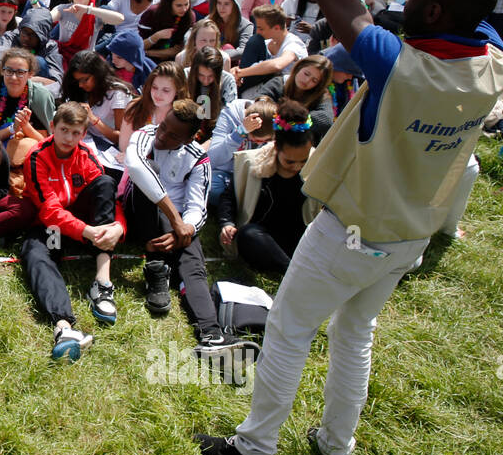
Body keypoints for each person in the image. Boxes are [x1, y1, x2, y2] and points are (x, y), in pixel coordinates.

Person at [196, 0, 503, 455]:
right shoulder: (492, 62)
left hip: (350, 229)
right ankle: (335, 448)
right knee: (355, 333)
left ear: (434, 14)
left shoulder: (396, 63)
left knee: (288, 330)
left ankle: (255, 449)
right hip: (408, 234)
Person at [122, 99, 249, 352]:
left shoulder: (198, 158)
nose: (162, 136)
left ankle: (210, 335)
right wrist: (175, 220)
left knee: (192, 262)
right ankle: (156, 267)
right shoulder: (145, 134)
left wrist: (186, 228)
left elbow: (197, 208)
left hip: (177, 225)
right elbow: (136, 167)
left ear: (190, 139)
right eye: (163, 127)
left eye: (172, 135)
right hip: (140, 214)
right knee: (150, 170)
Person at [19, 102, 127, 360]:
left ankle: (102, 283)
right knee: (35, 255)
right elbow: (50, 212)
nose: (69, 138)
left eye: (76, 132)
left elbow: (108, 198)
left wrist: (118, 229)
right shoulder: (36, 157)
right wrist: (87, 231)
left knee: (105, 182)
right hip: (52, 229)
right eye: (64, 130)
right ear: (53, 127)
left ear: (84, 134)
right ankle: (64, 327)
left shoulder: (87, 155)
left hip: (85, 227)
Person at [217, 100, 320, 275]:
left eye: (302, 162)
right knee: (247, 234)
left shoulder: (317, 165)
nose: (296, 167)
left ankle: (294, 268)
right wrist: (226, 223)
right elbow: (229, 197)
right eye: (289, 161)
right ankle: (292, 272)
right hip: (262, 235)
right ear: (276, 147)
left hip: (300, 236)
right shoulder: (252, 162)